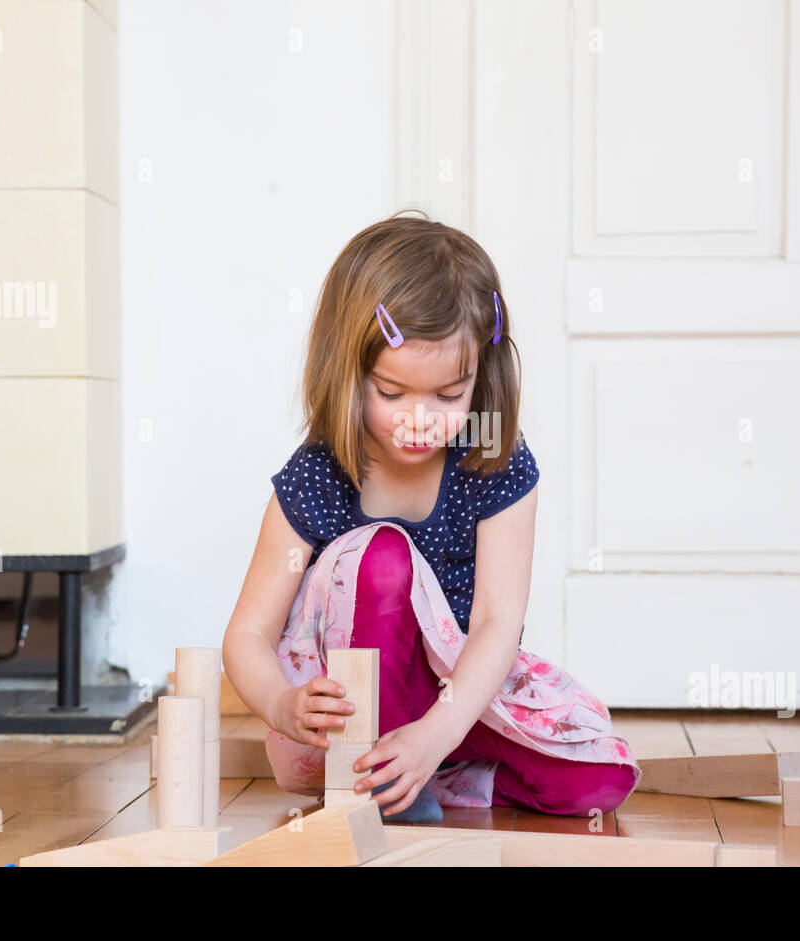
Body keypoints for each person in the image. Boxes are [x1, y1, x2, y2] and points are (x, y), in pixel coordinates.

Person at [222, 210, 639, 822]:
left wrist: (435, 736)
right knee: (383, 556)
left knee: (598, 781)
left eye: (448, 396)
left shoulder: (493, 458)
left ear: (480, 378)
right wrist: (283, 706)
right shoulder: (317, 473)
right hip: (347, 723)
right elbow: (247, 635)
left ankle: (426, 773)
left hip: (456, 703)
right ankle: (384, 778)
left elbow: (499, 621)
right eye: (392, 394)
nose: (421, 419)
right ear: (348, 372)